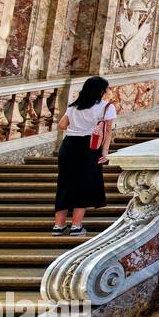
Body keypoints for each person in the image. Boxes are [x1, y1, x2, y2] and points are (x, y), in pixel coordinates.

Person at [54, 76, 115, 237]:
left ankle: (59, 226)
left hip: (68, 146)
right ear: (100, 90)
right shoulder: (106, 107)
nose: (108, 91)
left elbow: (62, 125)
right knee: (83, 184)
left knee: (64, 184)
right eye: (107, 88)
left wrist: (77, 124)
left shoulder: (74, 106)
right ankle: (76, 226)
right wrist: (104, 153)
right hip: (89, 147)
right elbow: (108, 132)